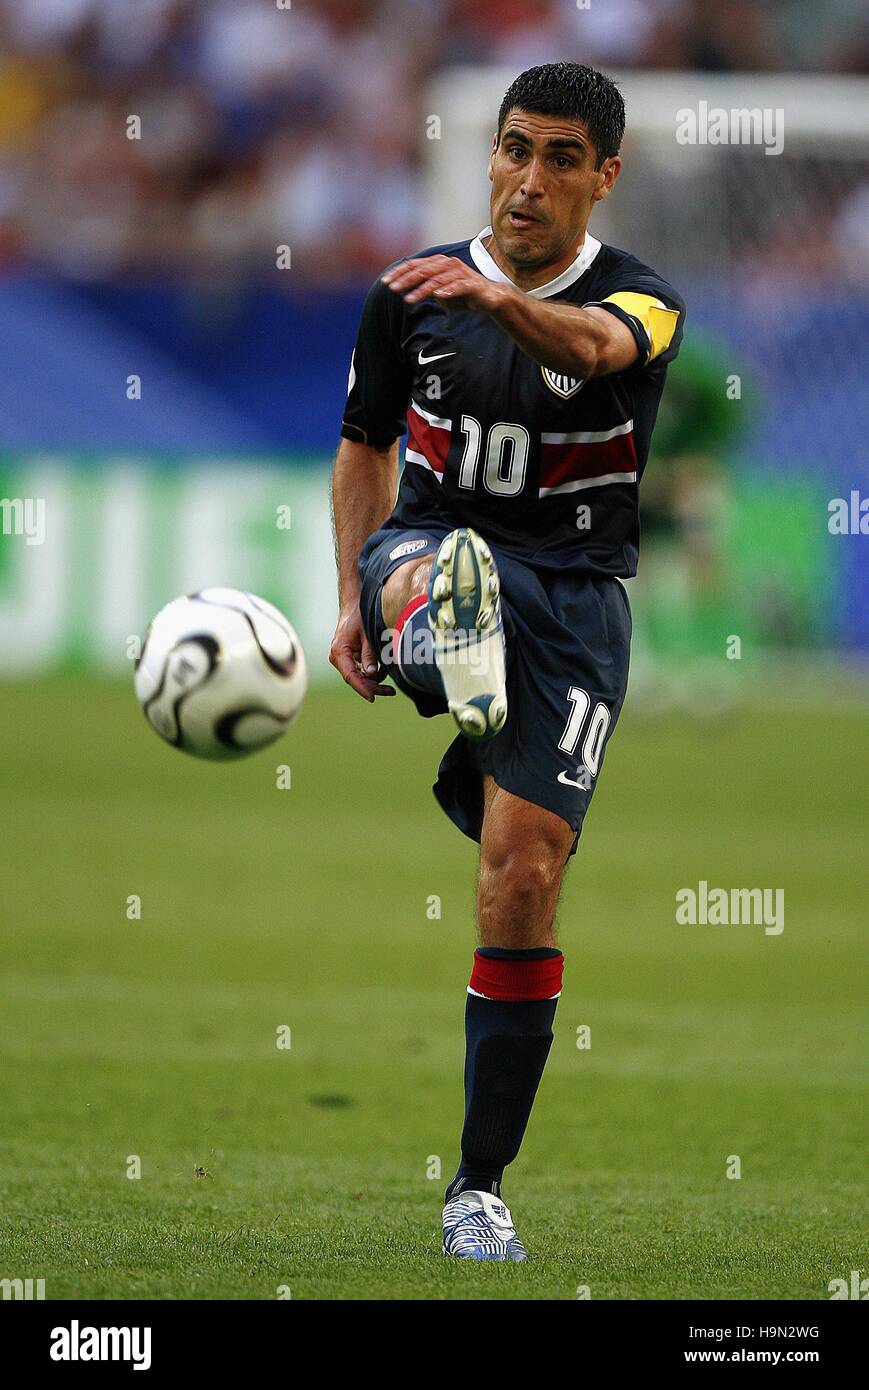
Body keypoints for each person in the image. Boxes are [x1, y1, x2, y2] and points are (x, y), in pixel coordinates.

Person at [330, 62, 685, 1261]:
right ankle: (434, 634)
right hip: (434, 543)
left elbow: (593, 347)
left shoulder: (643, 302)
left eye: (559, 159)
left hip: (576, 602)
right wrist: (349, 596)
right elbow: (365, 445)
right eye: (512, 150)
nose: (527, 181)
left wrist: (493, 307)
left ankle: (476, 1185)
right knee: (429, 568)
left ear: (603, 177)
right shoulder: (407, 294)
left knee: (521, 880)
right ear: (487, 153)